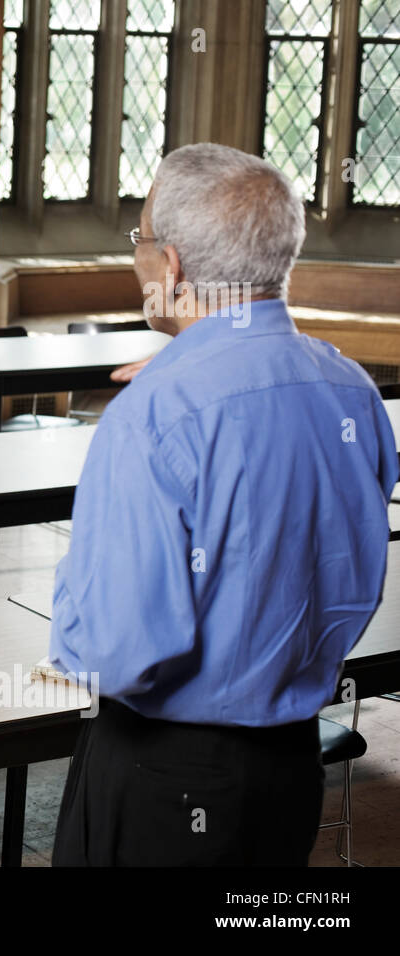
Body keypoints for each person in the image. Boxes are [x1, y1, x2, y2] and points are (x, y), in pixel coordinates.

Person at [49, 143, 399, 866]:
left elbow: (116, 658)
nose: (138, 257)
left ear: (171, 266)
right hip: (290, 765)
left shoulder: (151, 415)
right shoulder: (353, 390)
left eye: (139, 240)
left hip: (164, 776)